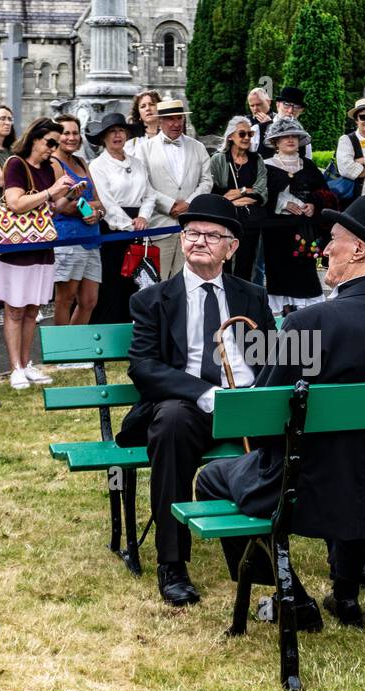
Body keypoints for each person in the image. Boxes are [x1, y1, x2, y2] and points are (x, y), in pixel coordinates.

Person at [196, 195, 365, 628]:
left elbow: (262, 420)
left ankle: (290, 593)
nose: (325, 249)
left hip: (304, 487)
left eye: (333, 240)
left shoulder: (309, 324)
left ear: (359, 250)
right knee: (353, 458)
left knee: (212, 475)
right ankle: (345, 595)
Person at [113, 194, 275, 607]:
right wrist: (206, 394)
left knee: (295, 426)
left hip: (249, 403)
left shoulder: (251, 296)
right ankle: (172, 562)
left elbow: (271, 357)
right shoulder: (152, 299)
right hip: (188, 405)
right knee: (169, 424)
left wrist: (260, 394)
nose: (199, 241)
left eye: (211, 235)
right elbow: (144, 368)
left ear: (231, 247)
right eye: (192, 233)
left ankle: (263, 561)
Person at [0, 117, 78, 390]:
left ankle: (26, 363)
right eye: (50, 142)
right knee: (14, 309)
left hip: (40, 246)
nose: (52, 148)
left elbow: (52, 207)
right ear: (35, 138)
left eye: (56, 144)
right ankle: (15, 367)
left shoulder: (50, 167)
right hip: (16, 248)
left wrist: (69, 195)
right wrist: (50, 192)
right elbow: (15, 202)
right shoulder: (15, 163)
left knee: (32, 309)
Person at [87, 112, 155, 325]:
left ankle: (133, 338)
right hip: (113, 232)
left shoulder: (137, 163)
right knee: (112, 285)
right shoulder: (97, 165)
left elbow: (149, 194)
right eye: (111, 132)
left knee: (136, 285)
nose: (117, 135)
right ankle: (108, 341)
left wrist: (143, 217)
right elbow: (106, 202)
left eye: (120, 130)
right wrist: (128, 225)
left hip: (139, 230)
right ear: (103, 138)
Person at [133, 98, 212, 280]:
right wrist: (169, 205)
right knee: (157, 283)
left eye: (179, 118)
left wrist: (190, 203)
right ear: (160, 121)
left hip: (191, 228)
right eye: (170, 119)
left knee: (188, 283)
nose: (176, 123)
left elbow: (207, 181)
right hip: (159, 226)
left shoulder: (198, 147)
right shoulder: (144, 149)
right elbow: (143, 185)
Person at [261, 116, 328, 314]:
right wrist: (283, 203)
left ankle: (305, 318)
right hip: (276, 233)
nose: (290, 140)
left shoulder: (308, 166)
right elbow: (260, 196)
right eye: (284, 137)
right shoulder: (265, 166)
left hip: (304, 232)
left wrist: (313, 205)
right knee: (279, 275)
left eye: (294, 136)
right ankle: (282, 317)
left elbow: (325, 193)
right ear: (275, 142)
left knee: (306, 275)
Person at [50, 114, 104, 331]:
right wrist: (87, 208)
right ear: (56, 136)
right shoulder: (54, 163)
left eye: (75, 133)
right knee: (66, 298)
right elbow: (58, 205)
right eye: (66, 133)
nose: (71, 138)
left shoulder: (82, 162)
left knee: (89, 301)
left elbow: (100, 201)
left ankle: (75, 349)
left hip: (93, 237)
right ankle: (62, 353)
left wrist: (96, 213)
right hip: (68, 239)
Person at [209, 115, 267, 281]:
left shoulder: (257, 160)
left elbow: (261, 193)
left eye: (250, 134)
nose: (247, 138)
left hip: (251, 221)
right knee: (224, 262)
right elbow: (218, 194)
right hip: (226, 220)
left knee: (248, 264)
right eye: (242, 134)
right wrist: (245, 190)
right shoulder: (219, 159)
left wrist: (234, 195)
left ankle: (244, 302)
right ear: (230, 136)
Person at [257, 86, 311, 159]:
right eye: (286, 104)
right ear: (278, 105)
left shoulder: (303, 137)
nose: (290, 111)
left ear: (301, 111)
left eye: (296, 107)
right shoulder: (257, 130)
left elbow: (307, 165)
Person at [124, 90, 161, 157]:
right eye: (143, 106)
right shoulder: (133, 140)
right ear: (139, 114)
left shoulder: (169, 134)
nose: (148, 108)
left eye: (152, 104)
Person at [247, 86, 273, 154]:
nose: (255, 109)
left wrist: (270, 125)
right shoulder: (245, 122)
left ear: (268, 102)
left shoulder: (279, 120)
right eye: (252, 106)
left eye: (259, 104)